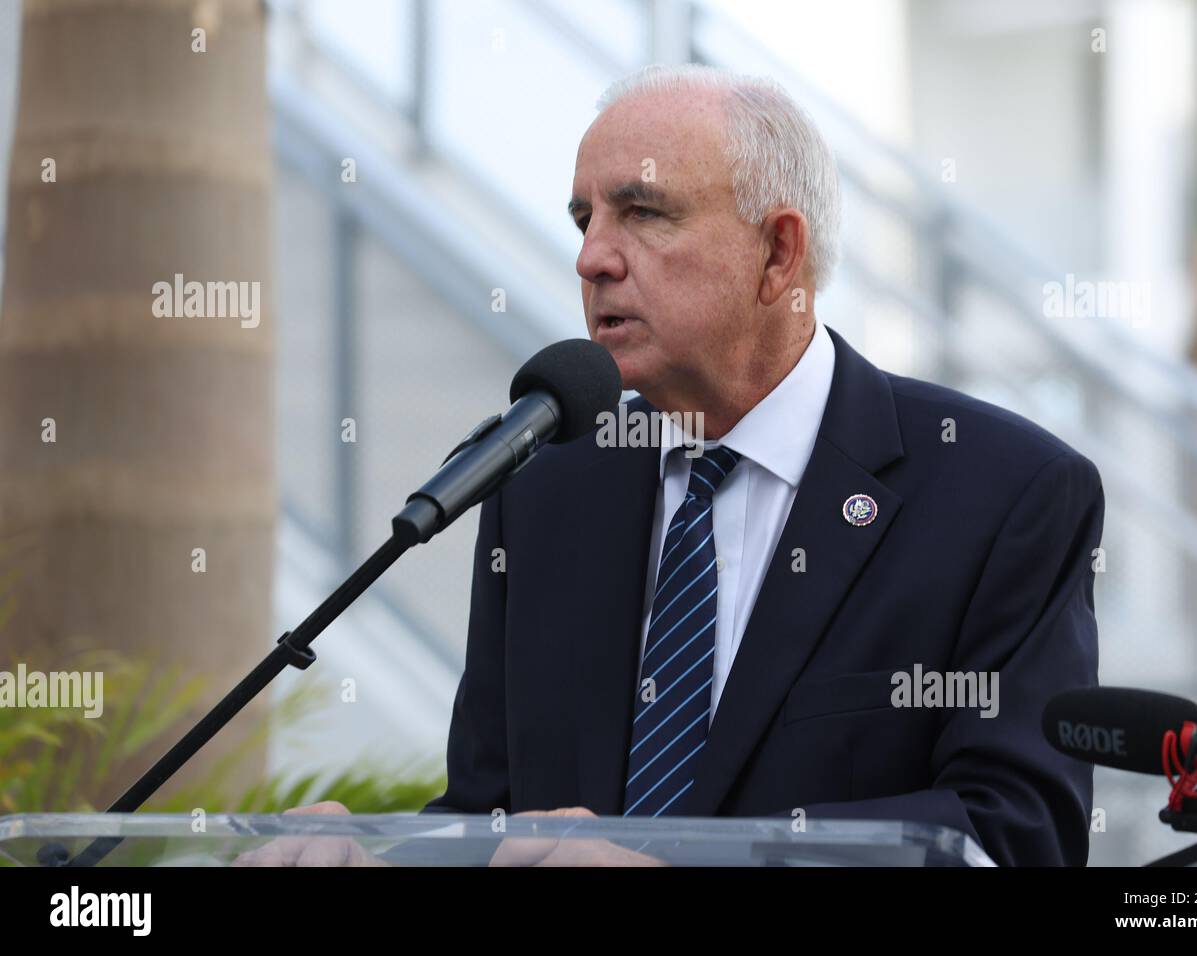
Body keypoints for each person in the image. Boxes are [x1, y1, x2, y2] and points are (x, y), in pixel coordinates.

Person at [251, 63, 1103, 868]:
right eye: (585, 220)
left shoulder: (1002, 494)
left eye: (644, 213)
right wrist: (378, 854)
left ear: (777, 254)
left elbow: (1012, 836)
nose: (592, 258)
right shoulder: (544, 488)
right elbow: (498, 819)